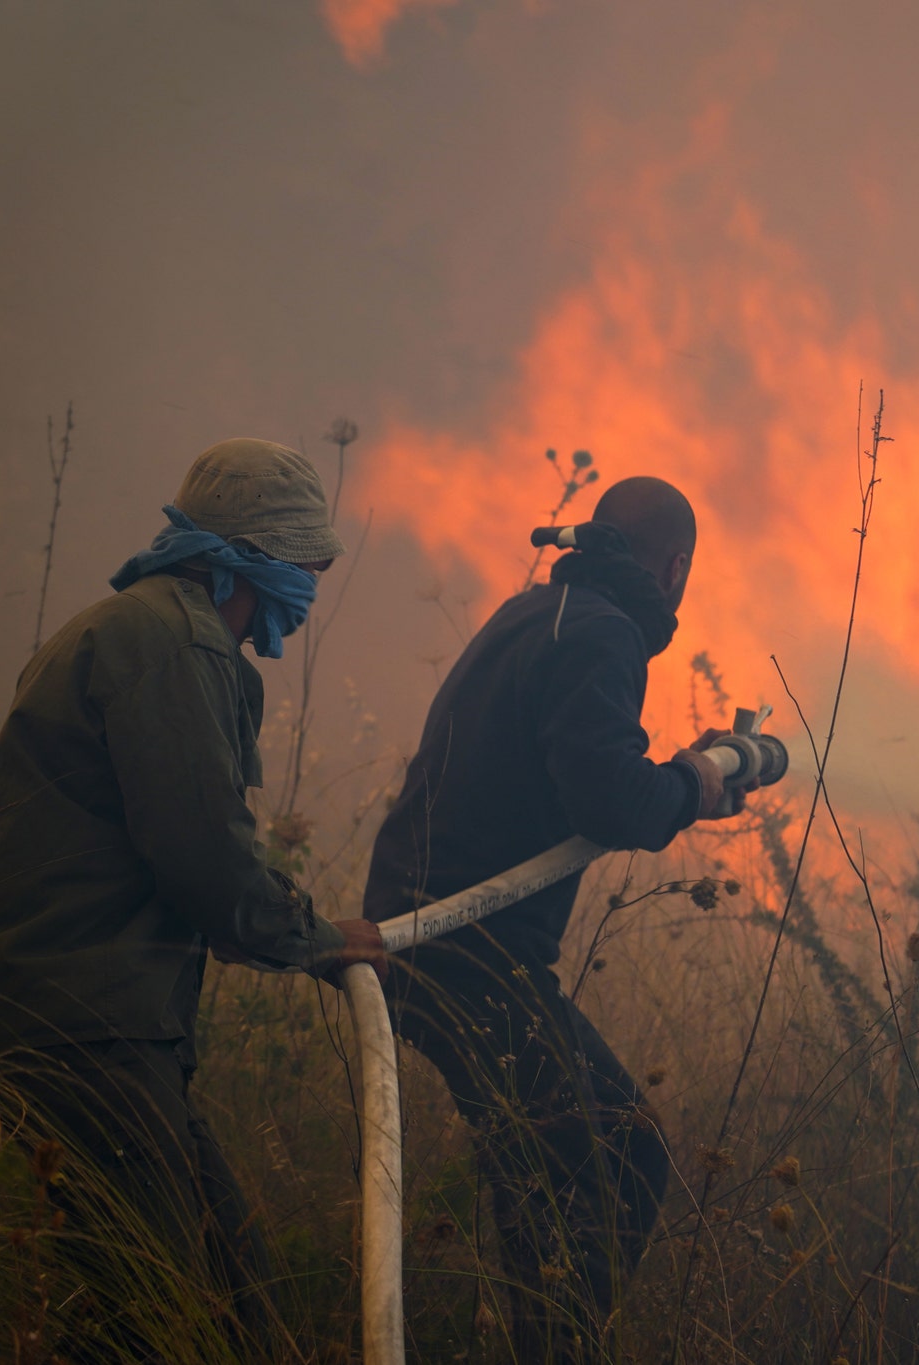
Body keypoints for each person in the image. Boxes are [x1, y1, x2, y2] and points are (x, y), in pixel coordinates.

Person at [0, 438, 387, 1360]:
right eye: (302, 567)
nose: (307, 590)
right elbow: (205, 860)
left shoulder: (129, 627)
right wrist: (316, 938)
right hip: (85, 1027)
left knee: (223, 1294)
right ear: (248, 560)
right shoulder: (175, 645)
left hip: (81, 1019)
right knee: (156, 1314)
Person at [362, 475, 746, 1362]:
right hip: (462, 950)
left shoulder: (533, 613)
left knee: (570, 1164)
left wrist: (679, 781)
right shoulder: (604, 634)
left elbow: (586, 773)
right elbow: (611, 798)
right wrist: (695, 782)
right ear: (677, 567)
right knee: (609, 1164)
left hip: (437, 938)